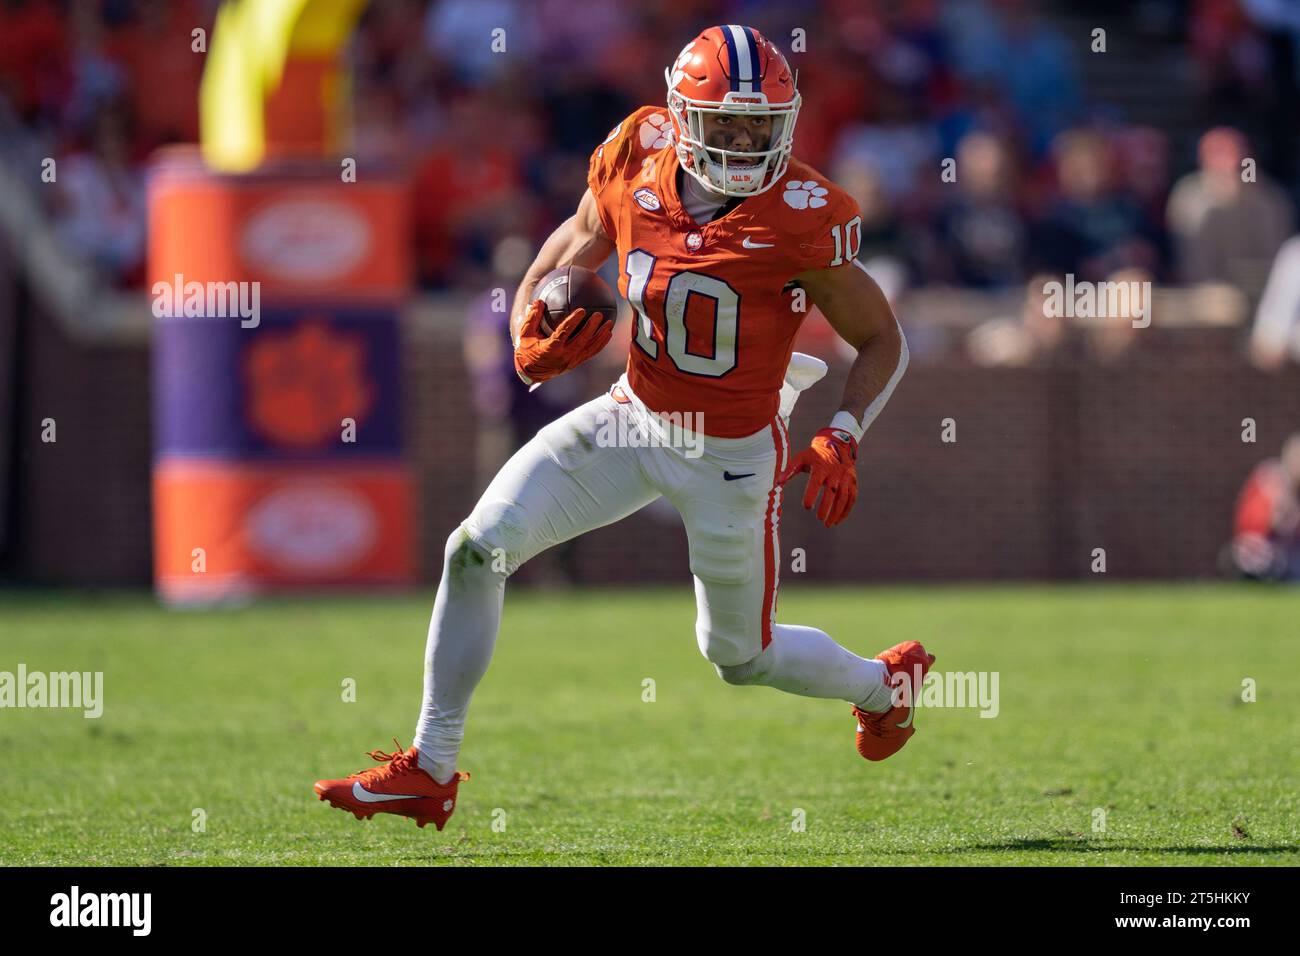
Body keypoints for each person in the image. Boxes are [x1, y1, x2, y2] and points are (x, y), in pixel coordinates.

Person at [314, 26, 932, 831]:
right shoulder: (637, 151)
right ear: (682, 115)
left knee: (740, 659)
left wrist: (844, 430)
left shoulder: (803, 213)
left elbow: (882, 337)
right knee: (475, 549)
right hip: (632, 421)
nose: (746, 143)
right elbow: (575, 242)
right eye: (730, 125)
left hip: (732, 458)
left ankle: (884, 687)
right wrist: (527, 323)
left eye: (761, 125)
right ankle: (431, 767)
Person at [1224, 432, 1300, 581]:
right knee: (1252, 557)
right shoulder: (1270, 481)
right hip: (1265, 551)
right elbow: (1249, 525)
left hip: (1292, 555)